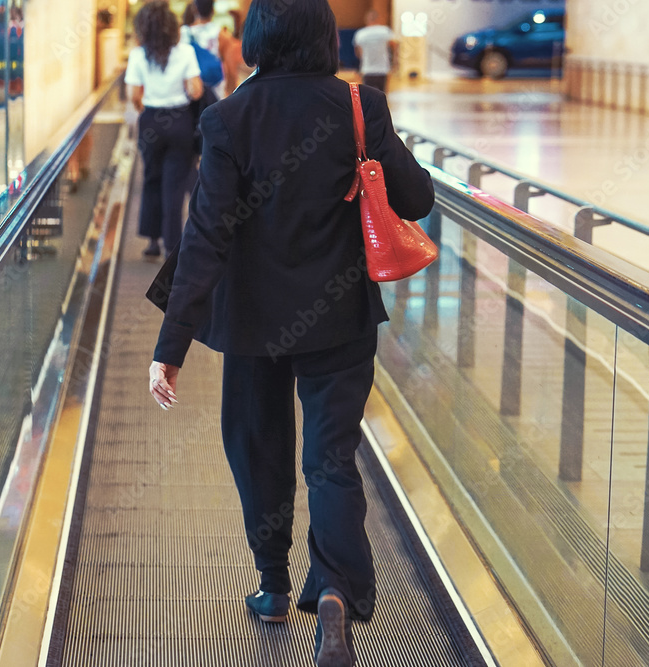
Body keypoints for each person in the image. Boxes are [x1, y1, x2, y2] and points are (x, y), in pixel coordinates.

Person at [147, 0, 434, 664]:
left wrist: (172, 347)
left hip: (252, 323)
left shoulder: (227, 120)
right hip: (340, 319)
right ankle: (333, 592)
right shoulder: (360, 107)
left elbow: (207, 236)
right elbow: (416, 199)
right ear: (324, 37)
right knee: (330, 459)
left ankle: (274, 584)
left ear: (255, 39)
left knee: (258, 448)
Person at [125, 1, 203, 258]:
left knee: (152, 178)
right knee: (175, 184)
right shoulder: (185, 52)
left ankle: (152, 242)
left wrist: (146, 106)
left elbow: (133, 94)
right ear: (172, 26)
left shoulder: (138, 55)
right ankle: (172, 245)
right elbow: (196, 90)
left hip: (151, 121)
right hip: (180, 121)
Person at [353, 10, 397, 93]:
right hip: (382, 69)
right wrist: (394, 62)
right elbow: (394, 46)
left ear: (366, 20)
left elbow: (358, 53)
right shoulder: (385, 31)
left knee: (368, 96)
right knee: (382, 95)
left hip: (367, 70)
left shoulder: (360, 34)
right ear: (378, 19)